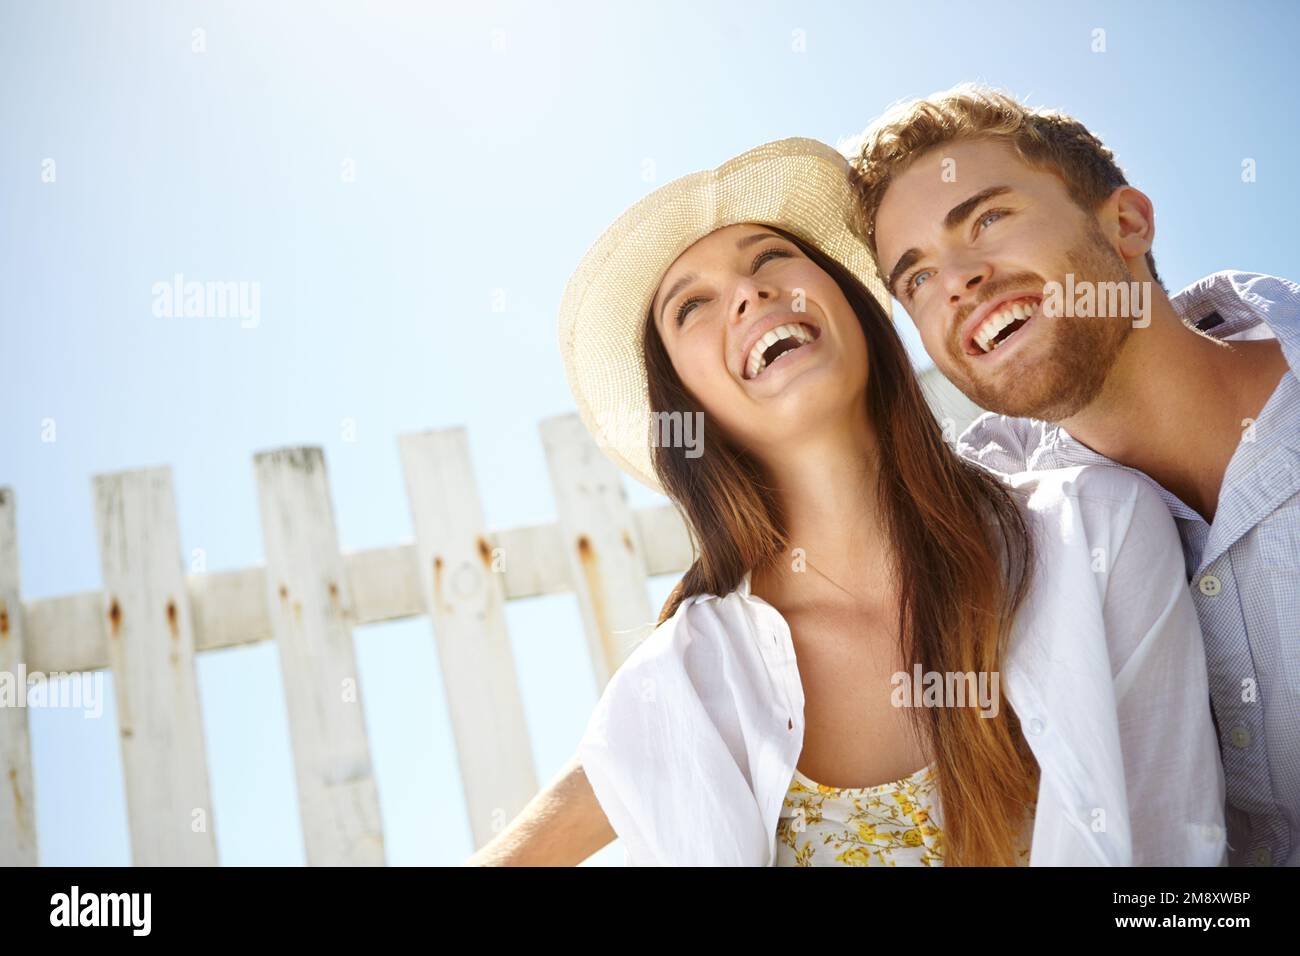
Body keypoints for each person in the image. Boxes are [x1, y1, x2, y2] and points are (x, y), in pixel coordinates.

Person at [467, 137, 1225, 867]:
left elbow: (1175, 861)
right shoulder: (689, 677)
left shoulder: (1094, 528)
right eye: (691, 307)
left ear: (855, 308)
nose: (749, 294)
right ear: (685, 405)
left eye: (771, 260)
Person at [849, 82, 1299, 867]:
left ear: (1125, 223)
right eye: (916, 278)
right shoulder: (993, 514)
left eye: (987, 219)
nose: (956, 281)